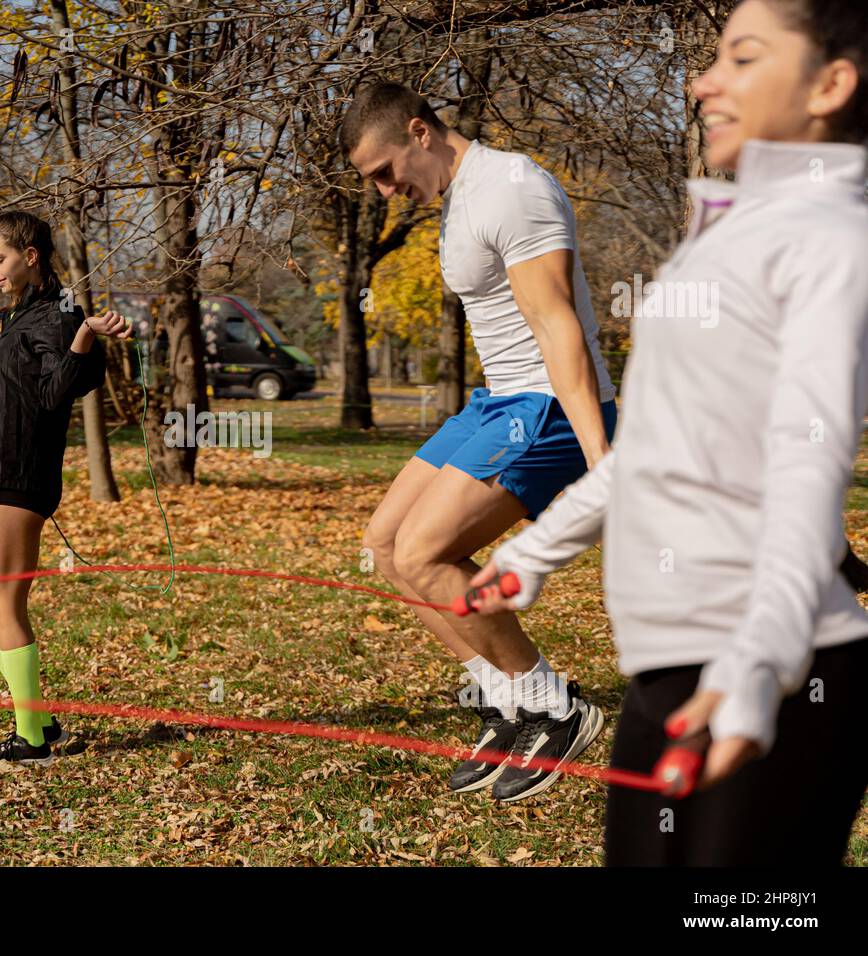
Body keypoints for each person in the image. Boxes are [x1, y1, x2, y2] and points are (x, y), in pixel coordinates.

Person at [470, 0, 868, 865]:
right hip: (672, 671)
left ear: (832, 84)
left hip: (774, 672)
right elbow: (654, 446)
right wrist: (533, 556)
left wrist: (760, 667)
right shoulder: (731, 234)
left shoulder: (831, 241)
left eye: (745, 58)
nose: (702, 80)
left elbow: (809, 458)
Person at [339, 83, 618, 801]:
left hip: (549, 404)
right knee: (385, 544)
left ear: (419, 131)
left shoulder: (511, 188)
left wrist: (601, 461)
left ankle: (556, 708)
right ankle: (509, 699)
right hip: (499, 401)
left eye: (384, 170)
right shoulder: (459, 194)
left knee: (425, 554)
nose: (384, 190)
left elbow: (557, 325)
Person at [0, 209, 130, 766]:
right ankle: (39, 721)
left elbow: (58, 393)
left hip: (25, 475)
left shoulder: (58, 316)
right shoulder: (21, 315)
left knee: (5, 605)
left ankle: (32, 739)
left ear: (29, 257)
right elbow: (20, 383)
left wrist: (83, 334)